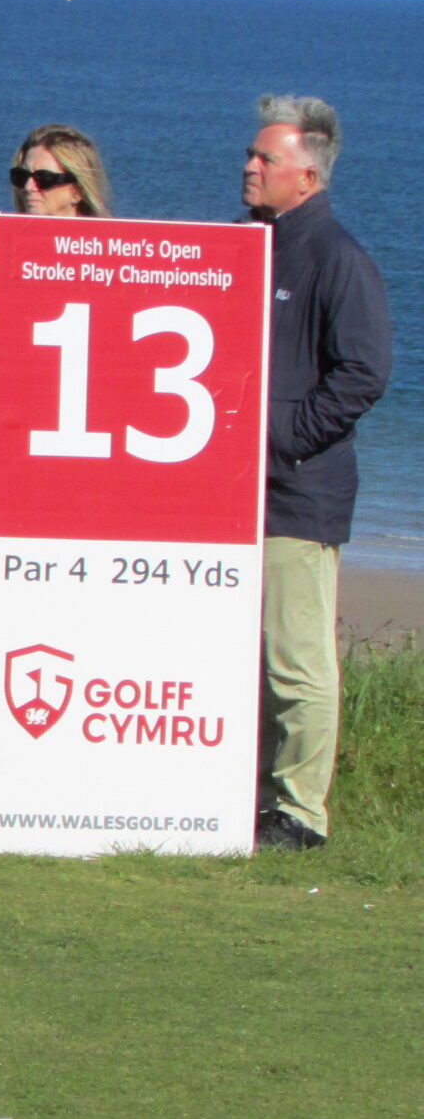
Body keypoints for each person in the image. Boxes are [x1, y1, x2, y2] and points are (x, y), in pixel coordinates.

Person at [242, 94, 392, 853]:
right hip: (229, 491)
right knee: (241, 654)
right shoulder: (246, 247)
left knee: (296, 660)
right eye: (251, 154)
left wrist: (288, 439)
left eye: (264, 158)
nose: (249, 166)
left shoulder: (338, 258)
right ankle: (242, 794)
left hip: (298, 494)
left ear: (307, 174)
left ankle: (299, 813)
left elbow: (365, 372)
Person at [0, 125, 114, 432]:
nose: (29, 187)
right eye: (21, 176)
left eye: (46, 180)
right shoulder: (6, 258)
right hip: (14, 437)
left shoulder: (116, 262)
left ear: (78, 190)